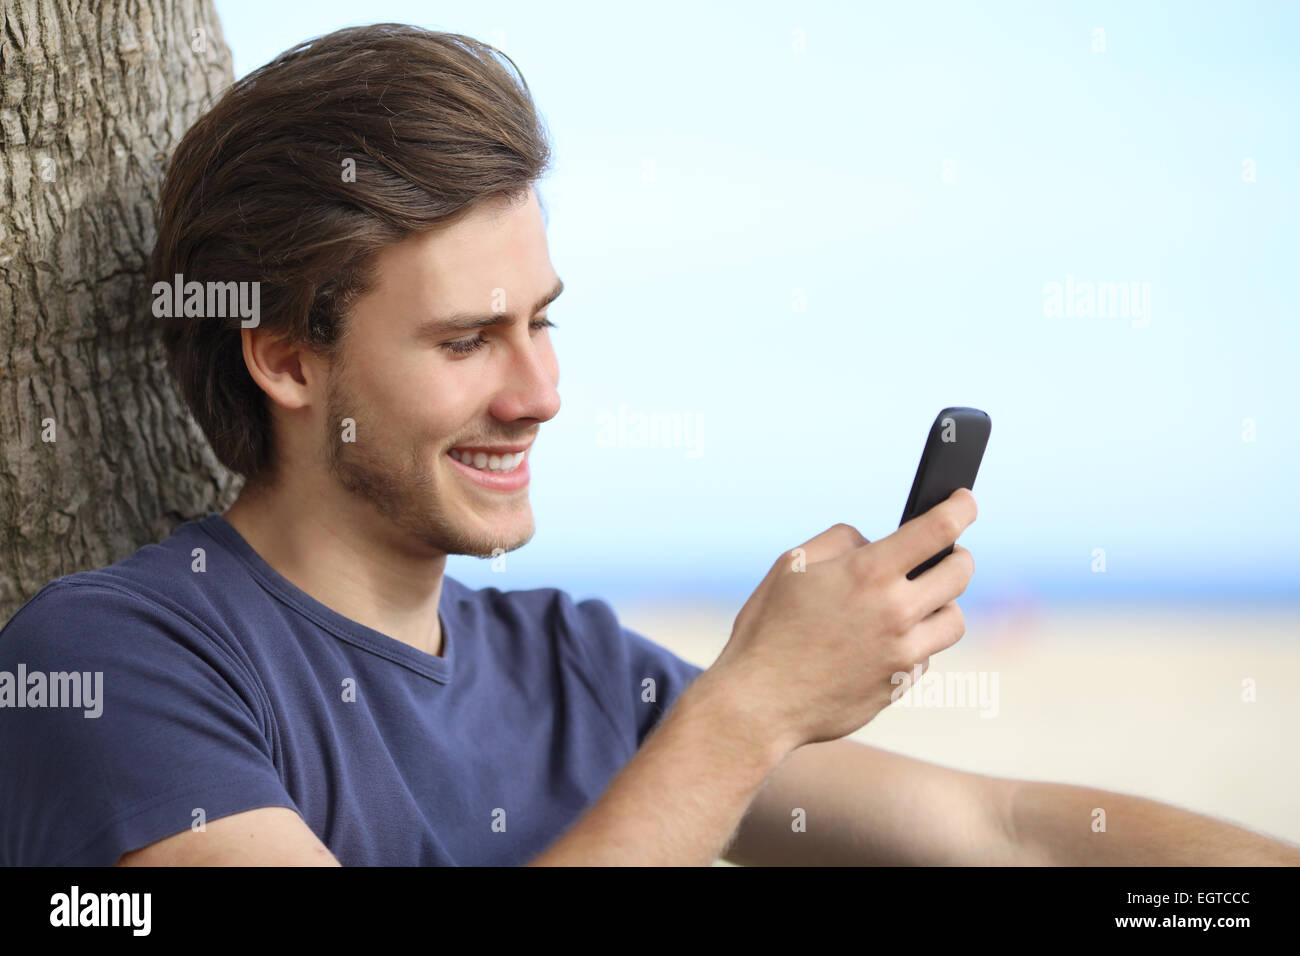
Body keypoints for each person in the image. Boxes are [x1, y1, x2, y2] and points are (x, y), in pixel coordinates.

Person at [1, 23, 1295, 867]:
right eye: (468, 342)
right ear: (284, 357)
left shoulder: (570, 670)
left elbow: (1004, 833)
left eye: (543, 323)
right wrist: (747, 708)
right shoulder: (112, 664)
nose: (541, 393)